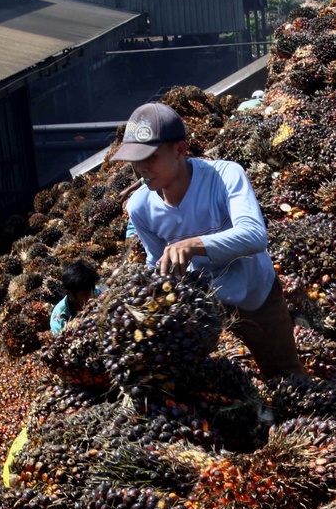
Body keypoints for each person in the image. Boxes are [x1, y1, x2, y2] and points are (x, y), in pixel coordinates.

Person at [112, 102, 306, 379]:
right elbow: (157, 263)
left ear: (180, 150)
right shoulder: (139, 207)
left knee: (285, 374)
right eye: (135, 159)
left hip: (254, 295)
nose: (141, 168)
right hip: (202, 307)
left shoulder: (225, 176)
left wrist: (192, 245)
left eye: (150, 157)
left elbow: (254, 235)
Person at [49, 259, 102, 335]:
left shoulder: (98, 295)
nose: (90, 297)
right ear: (69, 293)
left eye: (91, 292)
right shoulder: (59, 320)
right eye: (84, 294)